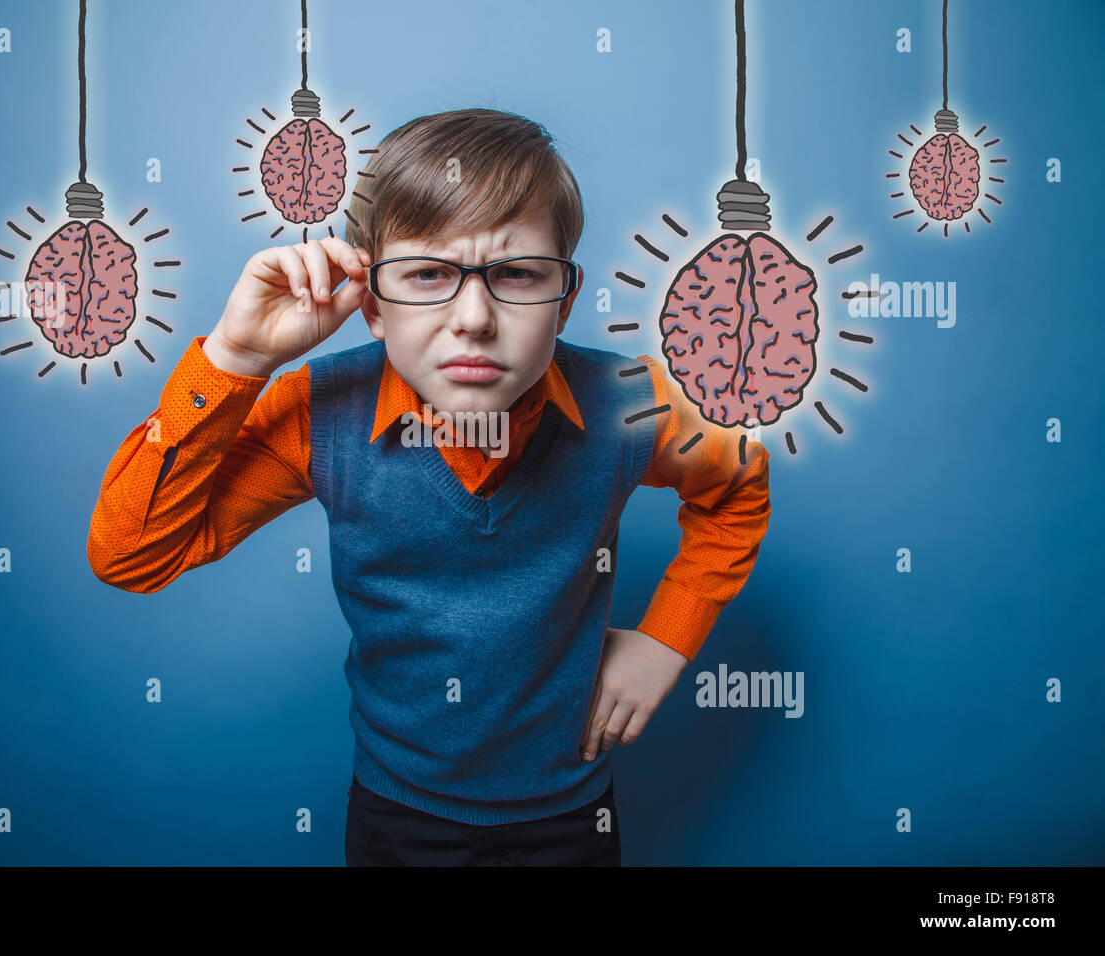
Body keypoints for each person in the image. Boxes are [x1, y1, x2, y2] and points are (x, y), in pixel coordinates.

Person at [87, 107, 771, 866]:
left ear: (565, 299)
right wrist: (237, 358)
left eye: (515, 274)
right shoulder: (321, 416)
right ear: (372, 303)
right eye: (428, 275)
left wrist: (667, 639)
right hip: (397, 813)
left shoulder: (634, 406)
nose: (473, 319)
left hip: (571, 816)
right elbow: (132, 554)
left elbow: (737, 488)